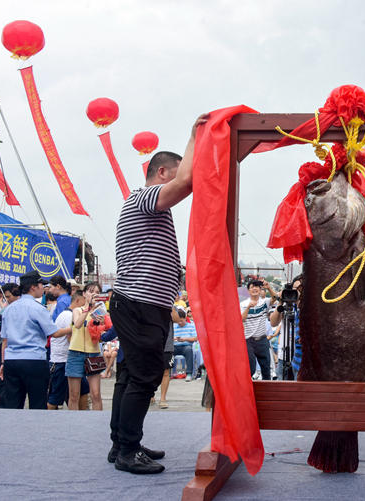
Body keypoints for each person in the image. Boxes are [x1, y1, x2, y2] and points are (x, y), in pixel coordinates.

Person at [108, 113, 208, 475]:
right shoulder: (147, 197)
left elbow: (183, 182)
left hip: (138, 303)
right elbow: (185, 184)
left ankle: (121, 442)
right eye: (179, 171)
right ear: (162, 172)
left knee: (130, 374)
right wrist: (195, 135)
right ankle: (128, 450)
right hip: (140, 304)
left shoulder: (145, 203)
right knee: (145, 375)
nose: (186, 176)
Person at [0, 271, 71, 409]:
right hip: (34, 360)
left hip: (11, 360)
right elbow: (54, 333)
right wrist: (73, 328)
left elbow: (4, 340)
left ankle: (12, 430)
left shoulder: (9, 309)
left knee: (12, 405)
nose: (43, 288)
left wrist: (3, 363)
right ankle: (35, 430)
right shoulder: (37, 308)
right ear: (33, 287)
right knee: (37, 404)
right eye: (41, 285)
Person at [67, 282, 104, 411]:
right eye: (90, 291)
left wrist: (101, 322)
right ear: (84, 294)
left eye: (97, 292)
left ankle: (97, 422)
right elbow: (77, 324)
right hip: (75, 353)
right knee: (74, 395)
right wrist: (88, 307)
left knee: (95, 394)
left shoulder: (101, 311)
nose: (94, 294)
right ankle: (73, 424)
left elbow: (105, 330)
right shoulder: (77, 310)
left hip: (93, 353)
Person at [47, 291, 86, 410]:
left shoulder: (65, 314)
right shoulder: (70, 316)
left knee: (82, 392)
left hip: (69, 360)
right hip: (62, 361)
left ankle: (81, 418)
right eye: (84, 303)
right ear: (78, 301)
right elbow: (71, 338)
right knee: (55, 398)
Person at [0, 282, 20, 408]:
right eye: (6, 297)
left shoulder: (22, 308)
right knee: (1, 376)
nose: (8, 299)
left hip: (16, 348)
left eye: (9, 297)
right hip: (5, 348)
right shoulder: (5, 309)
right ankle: (0, 401)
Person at [241, 280, 274, 381]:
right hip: (248, 341)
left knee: (266, 370)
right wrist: (248, 308)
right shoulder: (243, 304)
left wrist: (269, 288)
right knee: (250, 369)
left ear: (260, 290)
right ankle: (247, 393)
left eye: (257, 287)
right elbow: (241, 319)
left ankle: (267, 394)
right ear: (248, 290)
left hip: (262, 340)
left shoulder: (265, 302)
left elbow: (276, 298)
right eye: (252, 287)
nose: (254, 289)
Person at [173, 309, 198, 381]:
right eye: (178, 321)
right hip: (175, 346)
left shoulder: (191, 326)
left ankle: (189, 373)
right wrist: (174, 339)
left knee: (189, 350)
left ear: (185, 318)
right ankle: (167, 373)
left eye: (181, 321)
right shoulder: (174, 326)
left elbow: (195, 338)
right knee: (169, 351)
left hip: (186, 346)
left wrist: (185, 339)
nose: (179, 323)